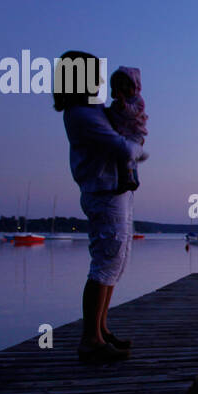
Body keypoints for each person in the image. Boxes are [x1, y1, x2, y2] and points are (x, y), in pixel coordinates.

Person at [54, 51, 148, 363]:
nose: (98, 80)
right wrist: (138, 149)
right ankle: (90, 339)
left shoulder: (92, 109)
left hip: (114, 190)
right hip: (103, 192)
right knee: (105, 261)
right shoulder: (80, 113)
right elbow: (121, 146)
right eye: (93, 74)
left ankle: (101, 328)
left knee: (116, 261)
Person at [107, 66, 147, 192]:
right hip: (122, 134)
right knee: (122, 159)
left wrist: (124, 106)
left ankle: (131, 179)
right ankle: (125, 178)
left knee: (128, 156)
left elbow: (133, 112)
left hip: (134, 133)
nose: (124, 89)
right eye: (120, 86)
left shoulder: (138, 101)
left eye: (127, 86)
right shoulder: (116, 104)